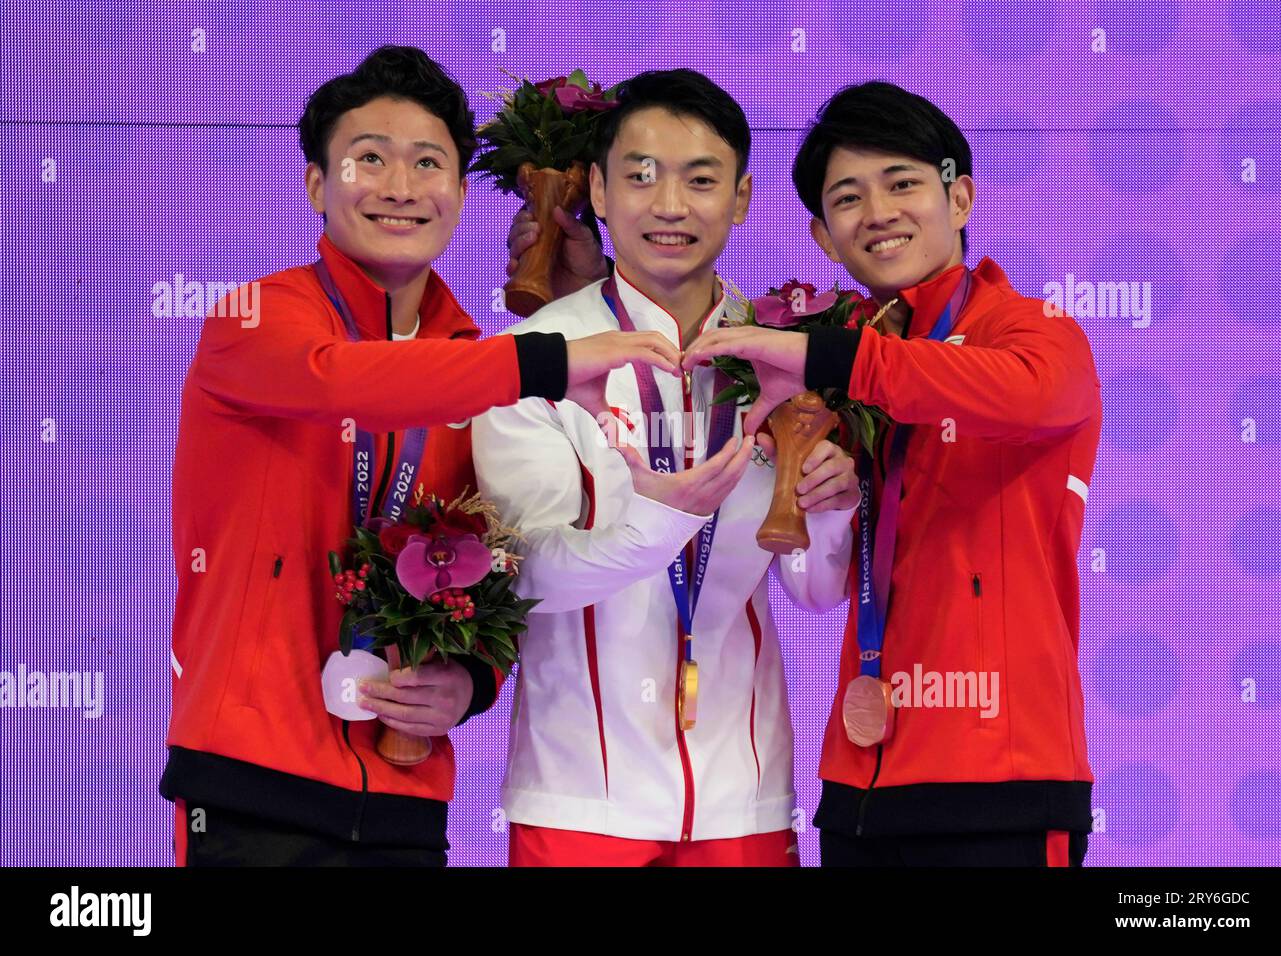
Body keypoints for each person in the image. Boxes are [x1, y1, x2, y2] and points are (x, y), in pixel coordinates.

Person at [160, 45, 678, 866]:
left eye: (428, 162)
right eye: (369, 159)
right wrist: (539, 360)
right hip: (249, 776)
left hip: (405, 793)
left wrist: (470, 682)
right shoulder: (256, 318)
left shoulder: (476, 359)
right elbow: (343, 383)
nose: (401, 187)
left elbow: (507, 560)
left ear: (462, 195)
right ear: (316, 186)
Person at [683, 81, 1101, 867]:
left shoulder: (1034, 331)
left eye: (903, 183)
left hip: (1002, 777)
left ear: (961, 196)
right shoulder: (831, 367)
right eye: (848, 198)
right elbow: (815, 589)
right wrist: (829, 504)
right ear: (823, 234)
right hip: (860, 786)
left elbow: (1028, 394)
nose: (878, 212)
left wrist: (835, 357)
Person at [473, 69, 860, 866]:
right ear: (599, 193)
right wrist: (668, 515)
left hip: (743, 792)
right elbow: (529, 575)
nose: (671, 206)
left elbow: (816, 593)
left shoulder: (787, 354)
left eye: (701, 179)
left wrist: (832, 505)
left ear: (743, 198)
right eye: (642, 176)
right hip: (579, 795)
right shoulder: (531, 358)